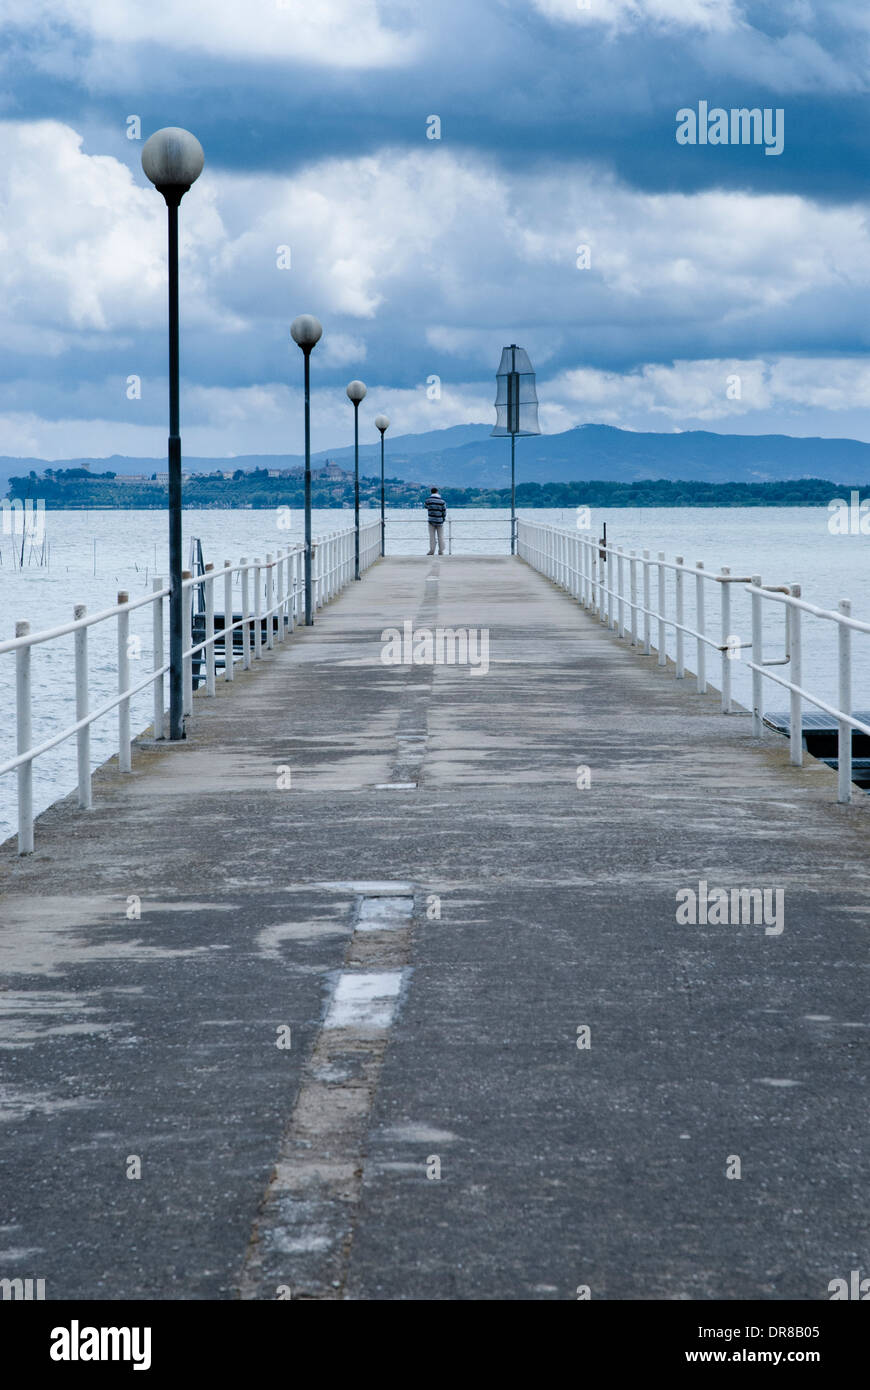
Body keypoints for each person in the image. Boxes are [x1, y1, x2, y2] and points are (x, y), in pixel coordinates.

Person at [425, 487, 447, 555]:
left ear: (431, 492)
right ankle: (441, 551)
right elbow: (444, 512)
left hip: (431, 520)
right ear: (437, 492)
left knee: (432, 537)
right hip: (440, 521)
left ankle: (432, 551)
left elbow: (425, 506)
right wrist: (443, 519)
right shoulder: (442, 501)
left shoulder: (428, 500)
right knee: (441, 536)